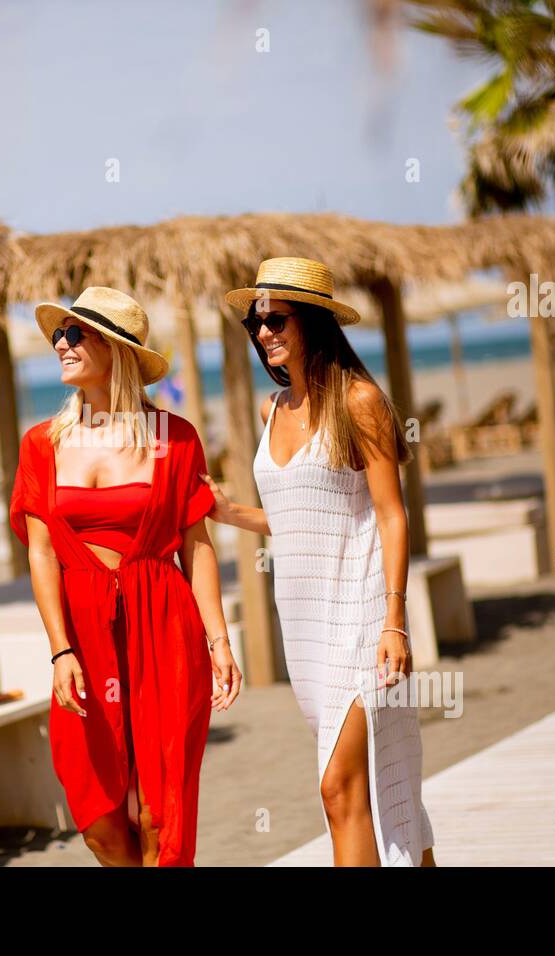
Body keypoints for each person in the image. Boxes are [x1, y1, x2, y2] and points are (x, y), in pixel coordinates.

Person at [204, 257, 437, 866]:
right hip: (304, 632)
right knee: (380, 789)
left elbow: (391, 514)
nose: (264, 333)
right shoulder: (271, 411)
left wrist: (394, 620)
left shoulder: (359, 402)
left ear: (313, 319)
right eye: (256, 324)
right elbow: (295, 519)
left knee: (338, 790)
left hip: (360, 617)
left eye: (276, 318)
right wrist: (231, 513)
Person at [8, 286, 242, 867]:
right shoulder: (41, 444)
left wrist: (219, 640)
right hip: (82, 634)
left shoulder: (176, 438)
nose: (61, 344)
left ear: (117, 351)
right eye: (58, 335)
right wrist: (60, 650)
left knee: (156, 813)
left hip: (164, 625)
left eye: (75, 334)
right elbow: (42, 554)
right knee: (99, 820)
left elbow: (197, 545)